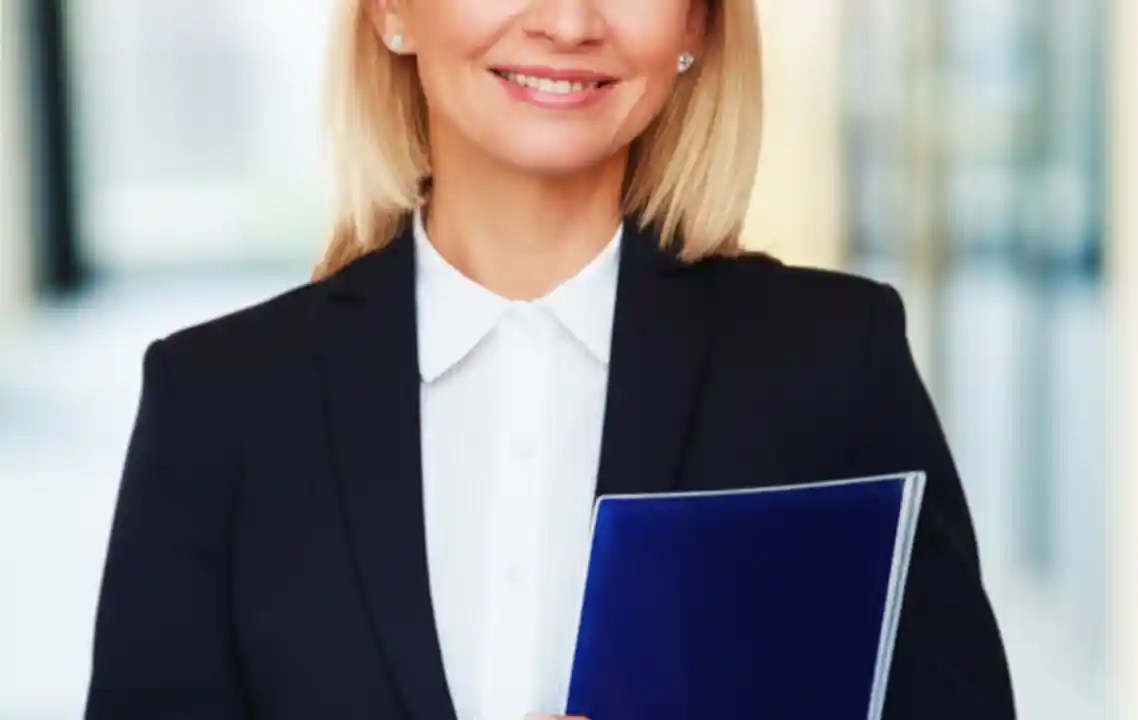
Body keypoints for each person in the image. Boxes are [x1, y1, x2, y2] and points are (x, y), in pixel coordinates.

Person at [86, 0, 1015, 718]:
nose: (569, 22)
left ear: (698, 21)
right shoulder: (219, 403)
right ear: (390, 10)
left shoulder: (830, 365)